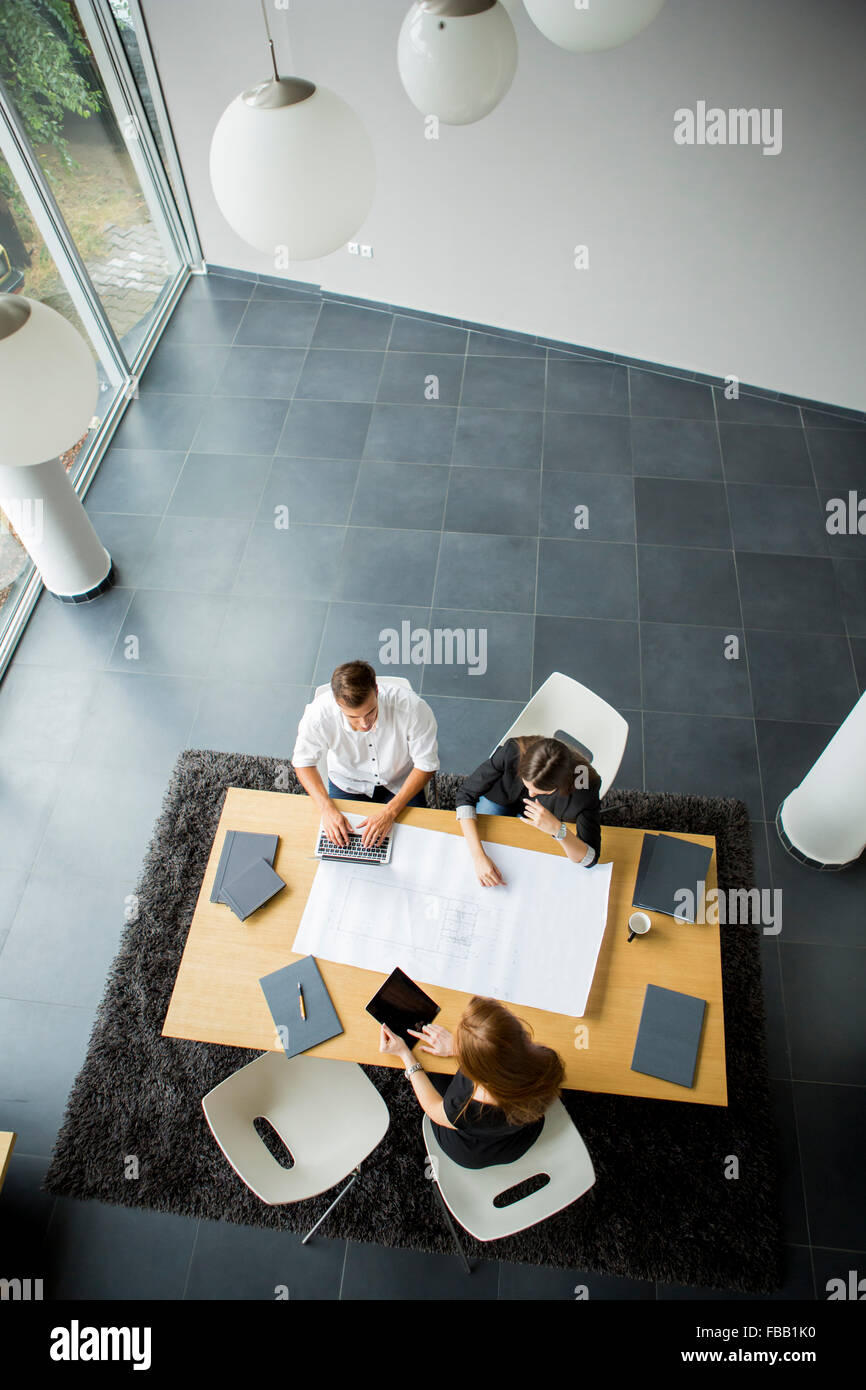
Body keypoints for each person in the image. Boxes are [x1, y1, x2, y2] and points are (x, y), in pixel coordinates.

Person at [378, 996, 565, 1169]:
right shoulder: (547, 1065)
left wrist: (406, 1056)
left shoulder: (463, 1106)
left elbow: (433, 1109)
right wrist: (469, 1048)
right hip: (518, 1138)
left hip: (473, 1151)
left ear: (475, 1070)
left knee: (433, 1076)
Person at [292, 659, 439, 847]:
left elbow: (427, 765)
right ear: (337, 703)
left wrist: (390, 812)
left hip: (400, 783)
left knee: (417, 844)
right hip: (348, 784)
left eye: (370, 712)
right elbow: (302, 762)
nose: (364, 724)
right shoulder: (319, 715)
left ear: (376, 691)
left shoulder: (413, 708)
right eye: (353, 717)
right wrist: (327, 809)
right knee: (341, 845)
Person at [456, 735, 601, 885]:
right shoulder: (513, 751)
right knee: (469, 849)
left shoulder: (584, 789)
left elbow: (590, 859)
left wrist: (559, 830)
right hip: (501, 800)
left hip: (545, 821)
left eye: (540, 792)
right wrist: (478, 856)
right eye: (527, 785)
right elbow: (465, 795)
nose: (530, 794)